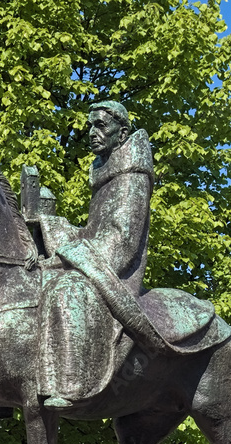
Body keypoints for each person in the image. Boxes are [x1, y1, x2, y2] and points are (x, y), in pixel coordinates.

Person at [37, 100, 154, 408]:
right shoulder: (105, 173)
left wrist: (66, 258)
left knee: (67, 288)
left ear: (123, 133)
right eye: (90, 125)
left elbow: (122, 241)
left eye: (100, 126)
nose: (91, 133)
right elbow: (92, 235)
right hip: (95, 258)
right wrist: (51, 224)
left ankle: (72, 386)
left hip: (115, 271)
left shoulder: (132, 175)